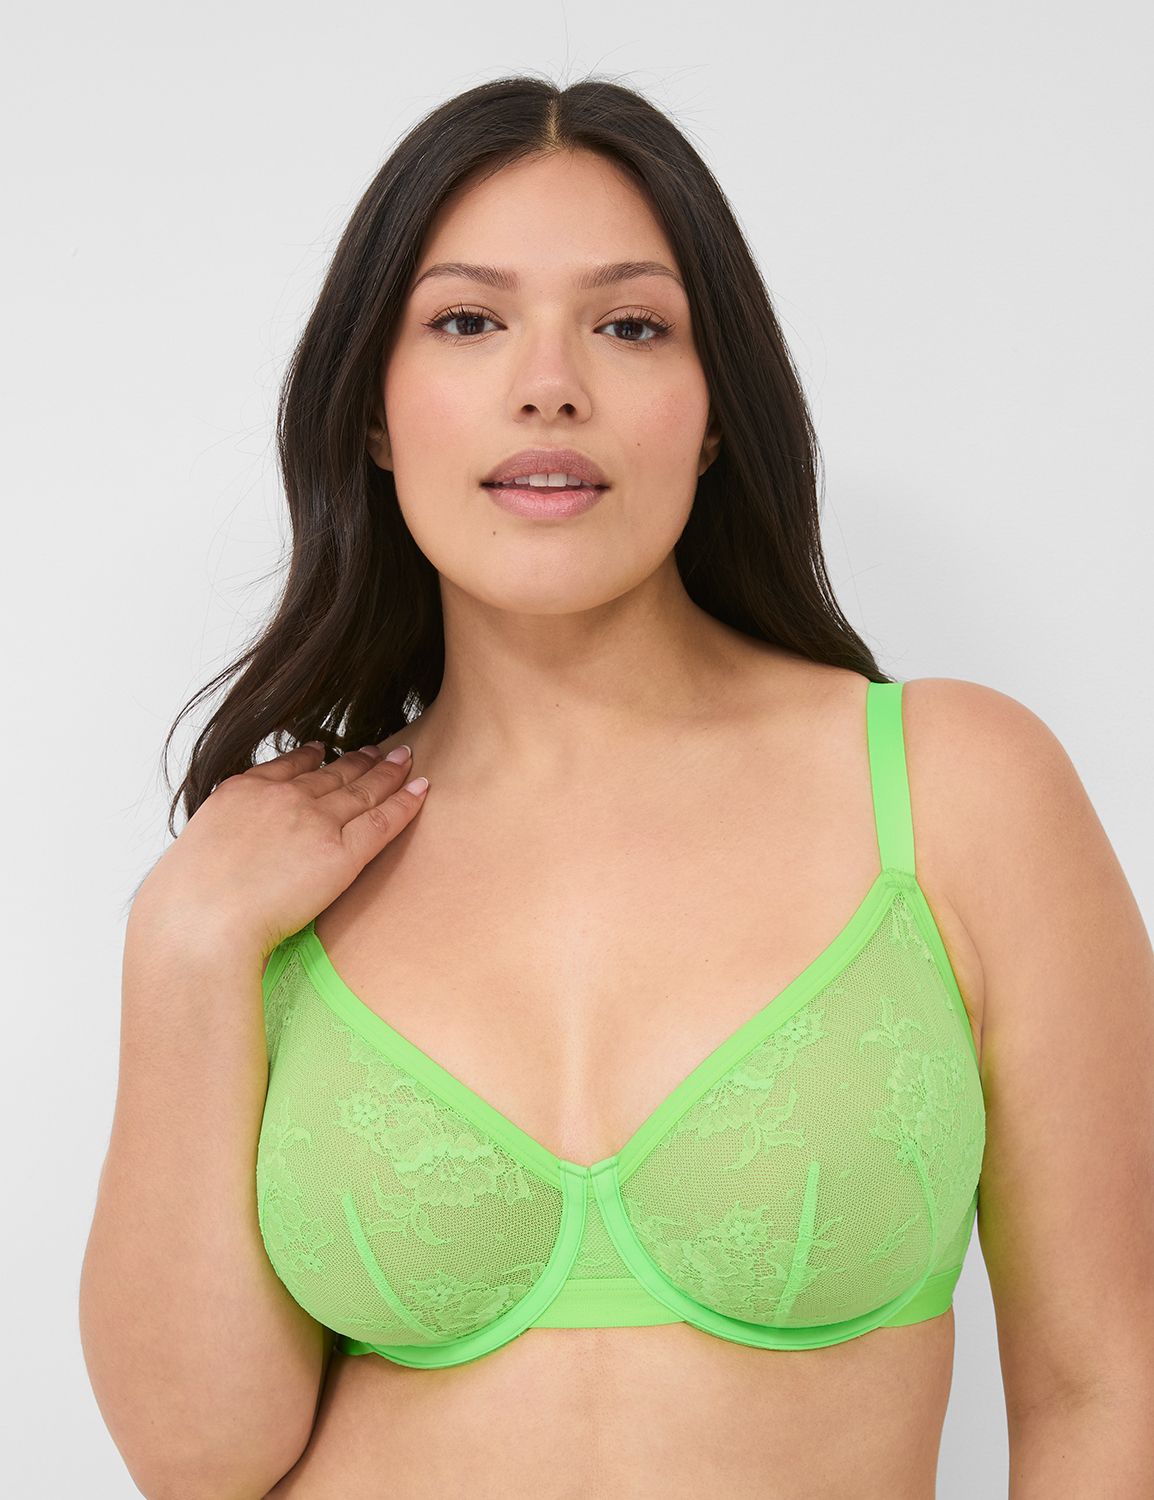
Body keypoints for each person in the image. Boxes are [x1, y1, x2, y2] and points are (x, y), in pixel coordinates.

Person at [79, 75, 1154, 1499]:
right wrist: (181, 947)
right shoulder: (276, 866)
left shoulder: (952, 787)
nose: (550, 384)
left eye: (631, 325)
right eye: (467, 322)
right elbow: (196, 1460)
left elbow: (1103, 1386)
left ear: (713, 414)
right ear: (374, 414)